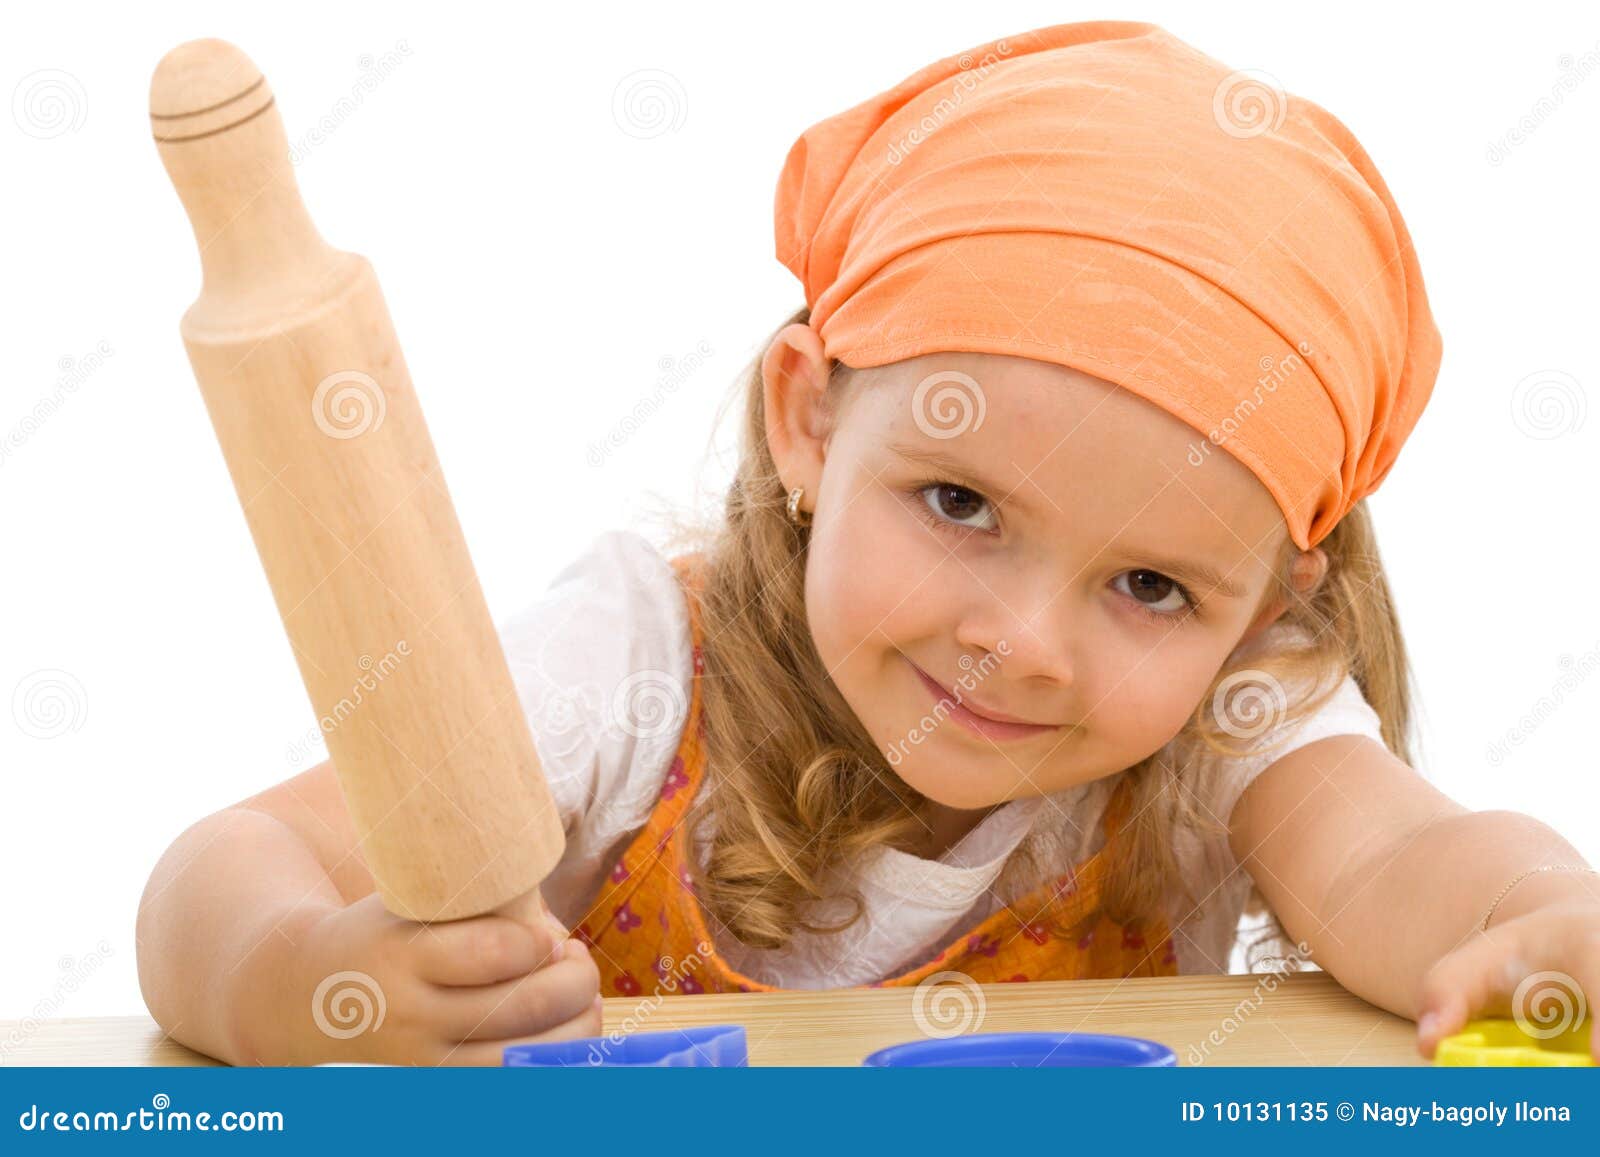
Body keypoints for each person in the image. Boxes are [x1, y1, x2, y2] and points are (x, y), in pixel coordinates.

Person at [137, 19, 1600, 1066]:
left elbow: (1412, 863)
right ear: (811, 423)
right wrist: (297, 977)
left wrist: (1543, 920)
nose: (1021, 639)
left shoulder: (1235, 718)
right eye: (961, 504)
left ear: (1270, 604)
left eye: (1150, 586)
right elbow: (234, 860)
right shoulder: (641, 661)